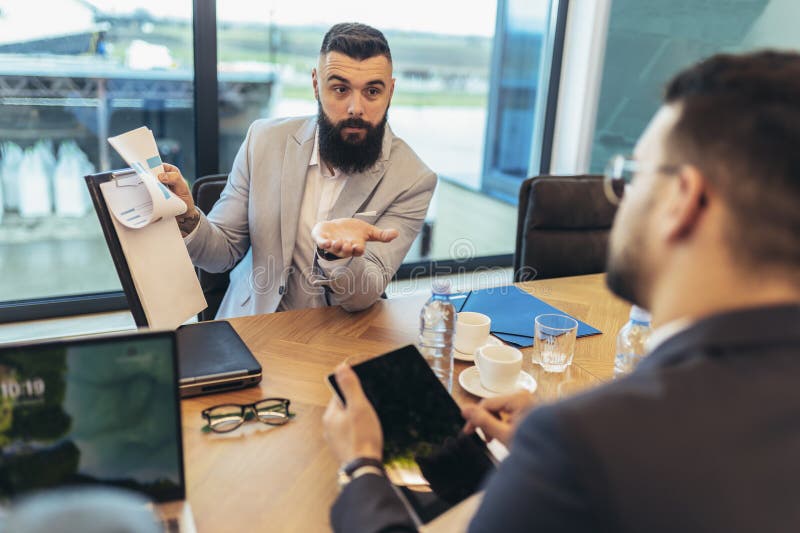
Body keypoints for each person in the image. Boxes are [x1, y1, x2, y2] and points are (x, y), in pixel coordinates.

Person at [322, 50, 800, 532]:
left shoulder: (584, 443)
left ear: (684, 201)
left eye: (633, 177)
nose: (619, 200)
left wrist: (361, 468)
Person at [159, 23, 436, 318]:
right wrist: (187, 216)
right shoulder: (263, 140)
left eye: (372, 91)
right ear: (316, 85)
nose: (356, 108)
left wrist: (339, 257)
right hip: (253, 321)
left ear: (390, 91)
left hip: (340, 335)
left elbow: (363, 297)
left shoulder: (413, 180)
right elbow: (220, 254)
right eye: (340, 89)